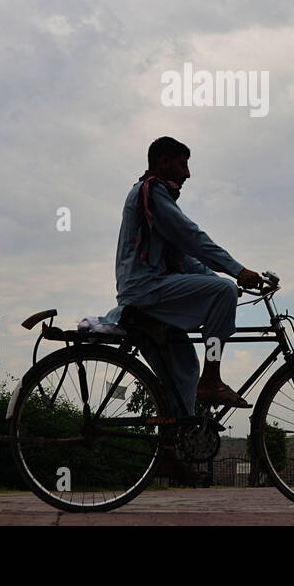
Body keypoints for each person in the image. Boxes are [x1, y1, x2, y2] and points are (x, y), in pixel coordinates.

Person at [102, 135, 265, 416]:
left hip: (147, 290)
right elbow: (190, 237)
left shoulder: (152, 195)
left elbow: (183, 257)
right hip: (146, 289)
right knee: (224, 291)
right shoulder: (152, 191)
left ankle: (170, 451)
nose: (188, 174)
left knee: (185, 373)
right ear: (163, 163)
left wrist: (216, 279)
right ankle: (213, 379)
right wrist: (236, 271)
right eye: (182, 165)